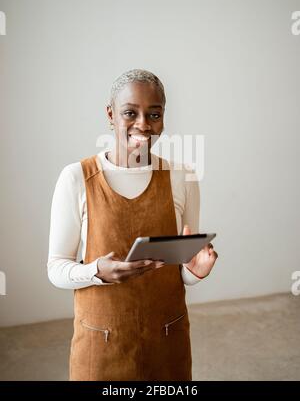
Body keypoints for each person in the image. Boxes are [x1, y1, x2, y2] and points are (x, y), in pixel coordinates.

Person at [47, 68, 218, 381]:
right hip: (101, 345)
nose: (143, 124)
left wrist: (196, 270)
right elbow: (56, 268)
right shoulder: (77, 178)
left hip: (167, 340)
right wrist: (96, 271)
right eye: (130, 112)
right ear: (110, 114)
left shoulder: (183, 176)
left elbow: (181, 269)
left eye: (155, 114)